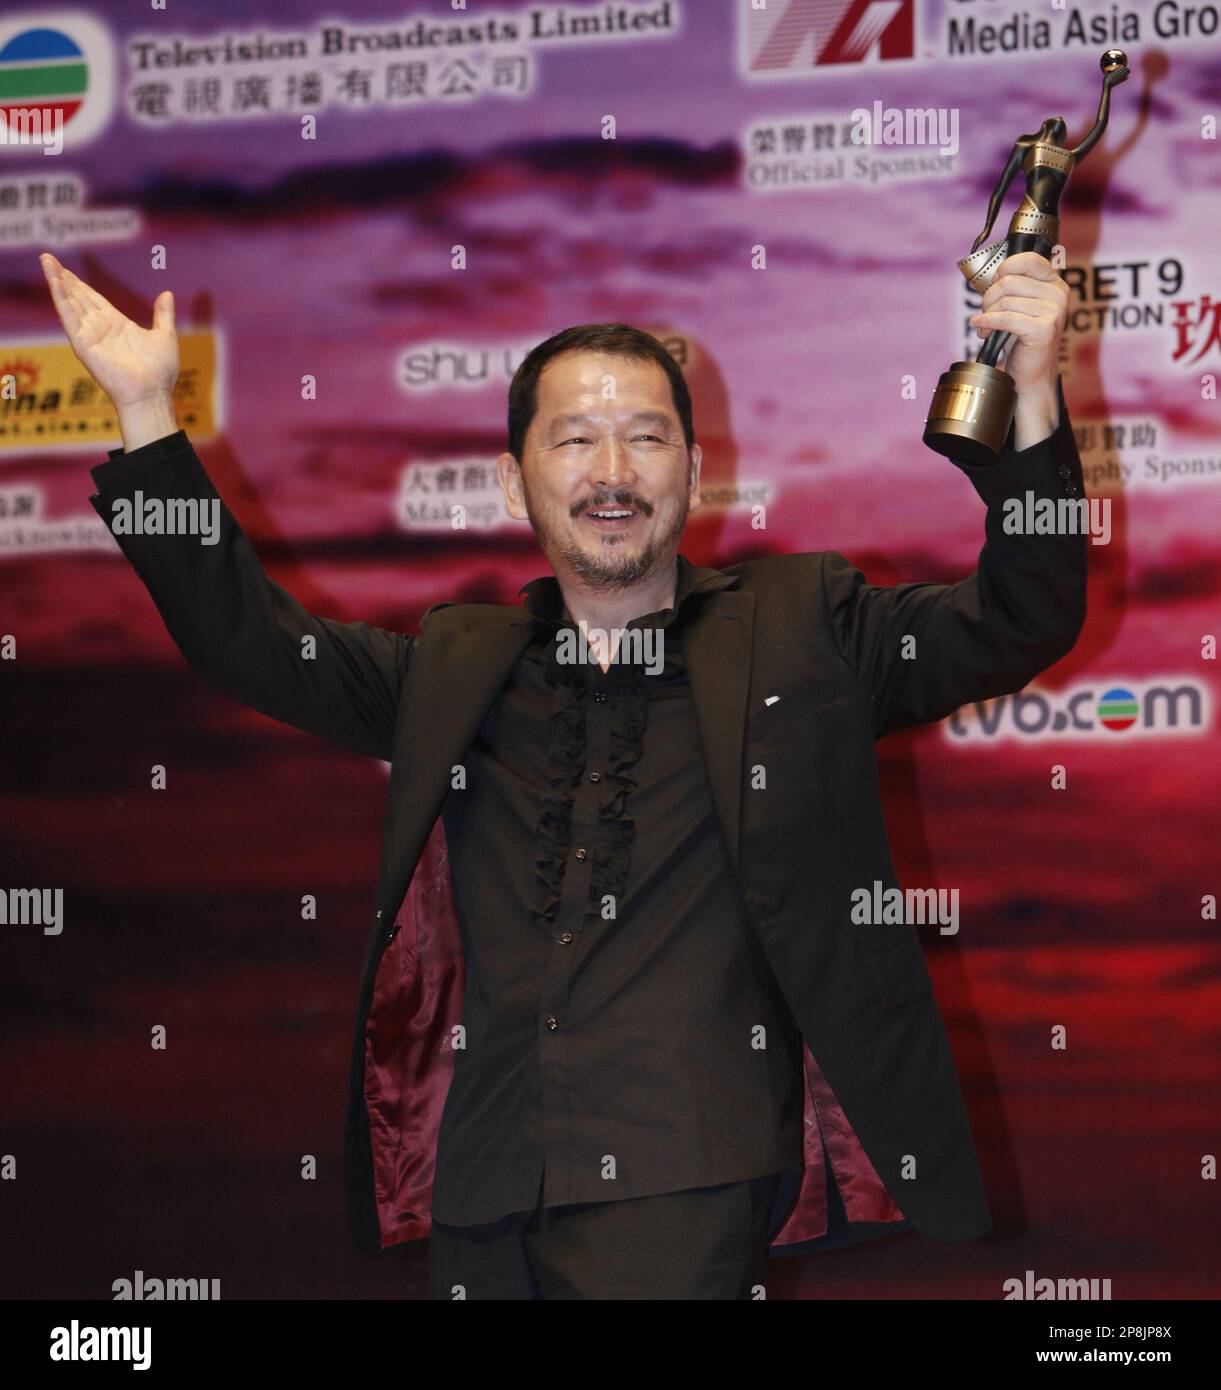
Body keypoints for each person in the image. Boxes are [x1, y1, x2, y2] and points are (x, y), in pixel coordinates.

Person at [40, 249, 1086, 1299]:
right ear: (513, 478)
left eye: (646, 438)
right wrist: (145, 412)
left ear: (692, 466)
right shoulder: (456, 664)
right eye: (575, 440)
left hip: (689, 1163)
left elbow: (1022, 614)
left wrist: (1030, 393)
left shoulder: (808, 627)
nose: (614, 472)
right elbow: (248, 642)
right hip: (485, 1177)